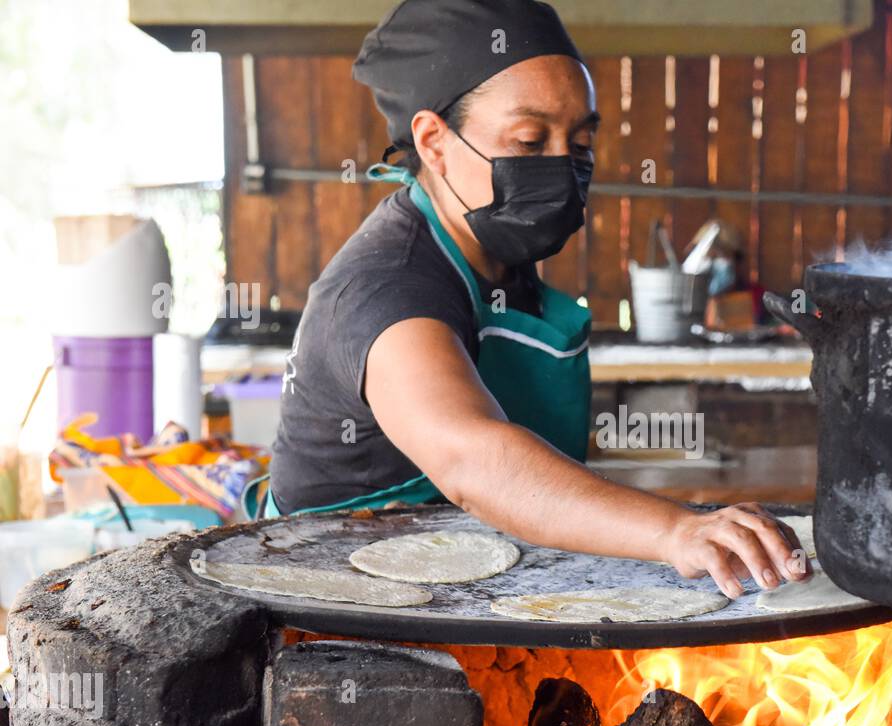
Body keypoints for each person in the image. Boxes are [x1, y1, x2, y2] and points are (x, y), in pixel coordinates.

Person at [255, 0, 809, 599]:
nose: (559, 166)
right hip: (337, 600)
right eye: (527, 139)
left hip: (471, 584)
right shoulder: (386, 287)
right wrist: (674, 530)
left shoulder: (500, 259)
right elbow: (473, 461)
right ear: (434, 142)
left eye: (578, 142)